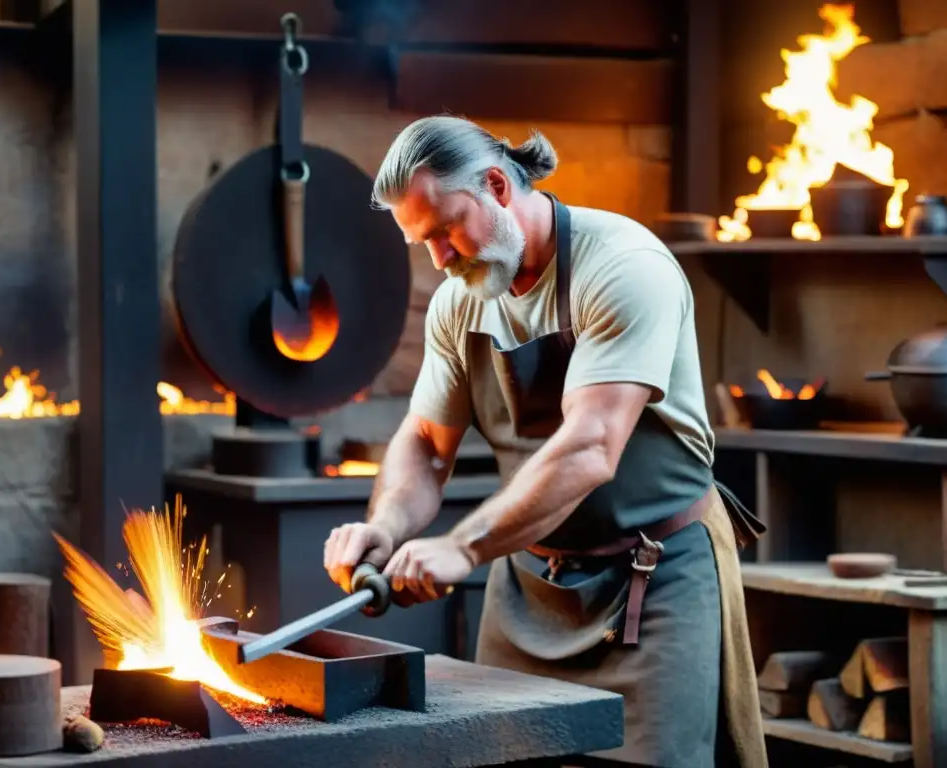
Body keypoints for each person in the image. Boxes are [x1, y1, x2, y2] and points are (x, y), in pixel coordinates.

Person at [323, 115, 768, 768]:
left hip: (652, 583)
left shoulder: (623, 266)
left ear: (499, 186)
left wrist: (461, 545)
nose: (440, 260)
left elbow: (590, 445)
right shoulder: (461, 300)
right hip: (529, 588)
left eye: (447, 230)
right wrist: (384, 527)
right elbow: (425, 441)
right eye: (424, 243)